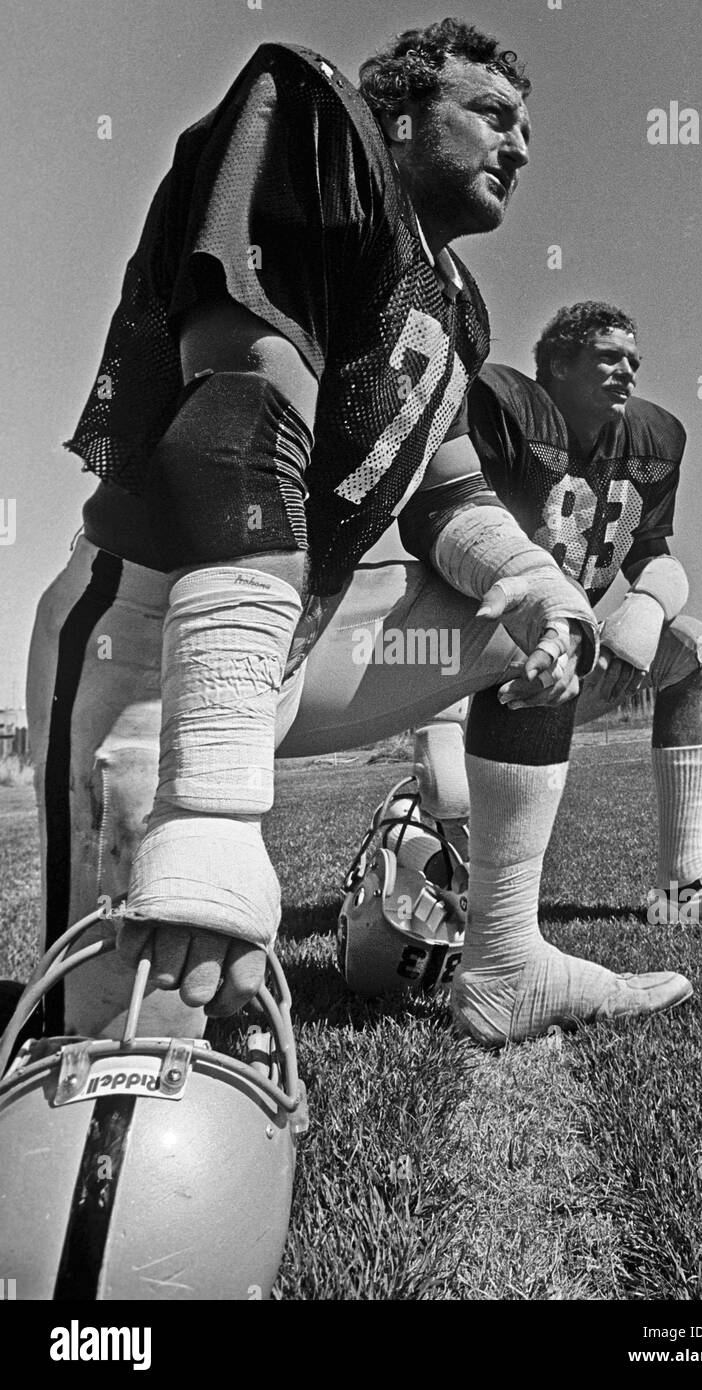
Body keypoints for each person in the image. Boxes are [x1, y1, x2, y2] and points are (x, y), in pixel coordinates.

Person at [23, 20, 538, 1040]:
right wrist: (214, 803)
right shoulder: (314, 124)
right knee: (129, 1029)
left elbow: (449, 501)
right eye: (490, 114)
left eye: (525, 128)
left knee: (539, 632)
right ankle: (185, 842)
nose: (518, 147)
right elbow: (235, 427)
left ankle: (510, 952)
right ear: (396, 117)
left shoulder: (458, 306)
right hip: (158, 630)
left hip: (298, 640)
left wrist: (538, 579)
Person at [277, 301, 702, 1045]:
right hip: (471, 646)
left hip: (558, 657)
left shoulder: (651, 440)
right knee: (455, 786)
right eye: (608, 357)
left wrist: (644, 608)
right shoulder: (505, 408)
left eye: (634, 360)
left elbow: (656, 556)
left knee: (693, 646)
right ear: (555, 364)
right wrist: (438, 730)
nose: (628, 371)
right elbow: (450, 540)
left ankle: (684, 880)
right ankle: (431, 812)